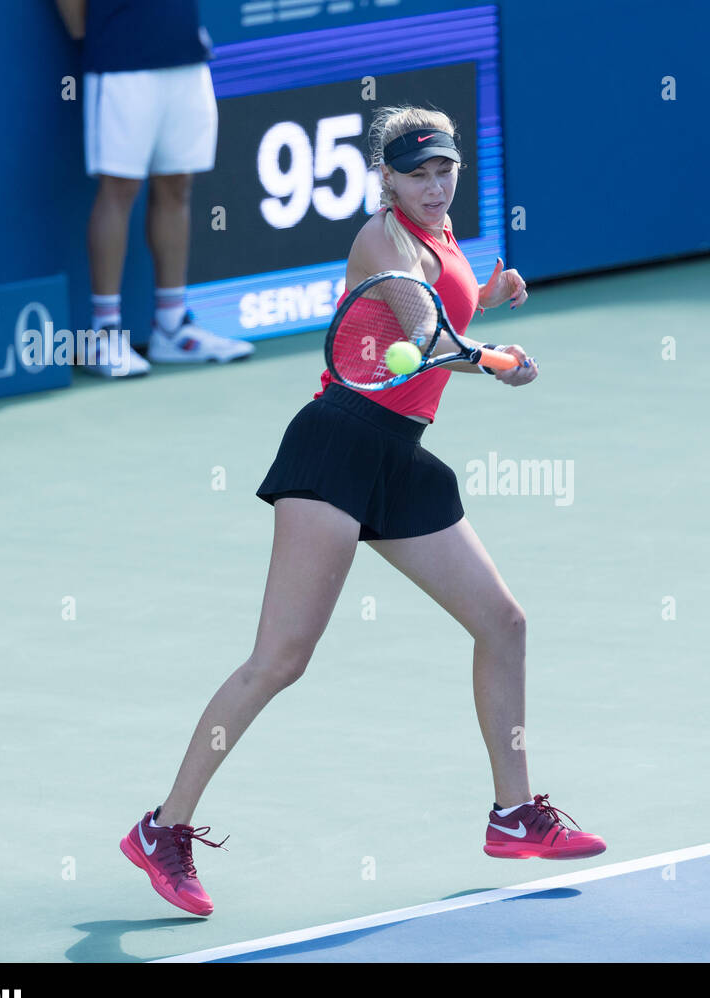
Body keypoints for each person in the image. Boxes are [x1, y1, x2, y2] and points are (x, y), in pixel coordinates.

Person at [119, 105, 606, 915]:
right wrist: (498, 361)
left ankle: (514, 814)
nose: (435, 184)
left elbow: (437, 318)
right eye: (418, 173)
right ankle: (162, 829)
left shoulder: (443, 237)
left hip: (400, 456)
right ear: (387, 177)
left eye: (445, 169)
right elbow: (426, 330)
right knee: (280, 660)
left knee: (504, 623)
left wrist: (486, 294)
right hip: (338, 445)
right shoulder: (382, 238)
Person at [56, 0, 252, 377]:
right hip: (120, 63)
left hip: (184, 54)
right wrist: (99, 33)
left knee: (177, 183)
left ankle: (171, 326)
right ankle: (105, 332)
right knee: (120, 188)